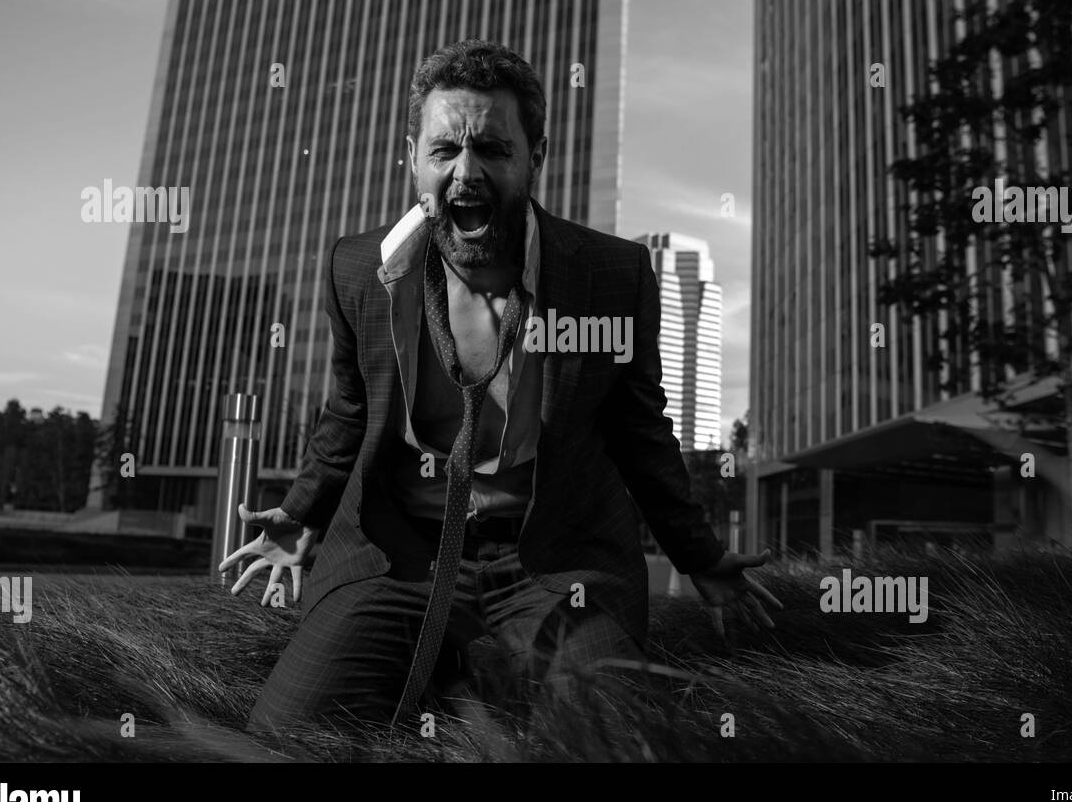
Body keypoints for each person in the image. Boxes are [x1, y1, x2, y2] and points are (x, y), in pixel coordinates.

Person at [225, 39, 780, 731]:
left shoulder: (611, 274)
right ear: (412, 157)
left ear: (535, 158)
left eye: (492, 148)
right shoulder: (359, 269)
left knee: (613, 737)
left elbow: (639, 431)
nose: (467, 173)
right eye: (445, 151)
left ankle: (472, 666)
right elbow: (348, 409)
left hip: (554, 562)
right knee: (286, 739)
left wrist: (700, 554)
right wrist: (302, 513)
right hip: (402, 554)